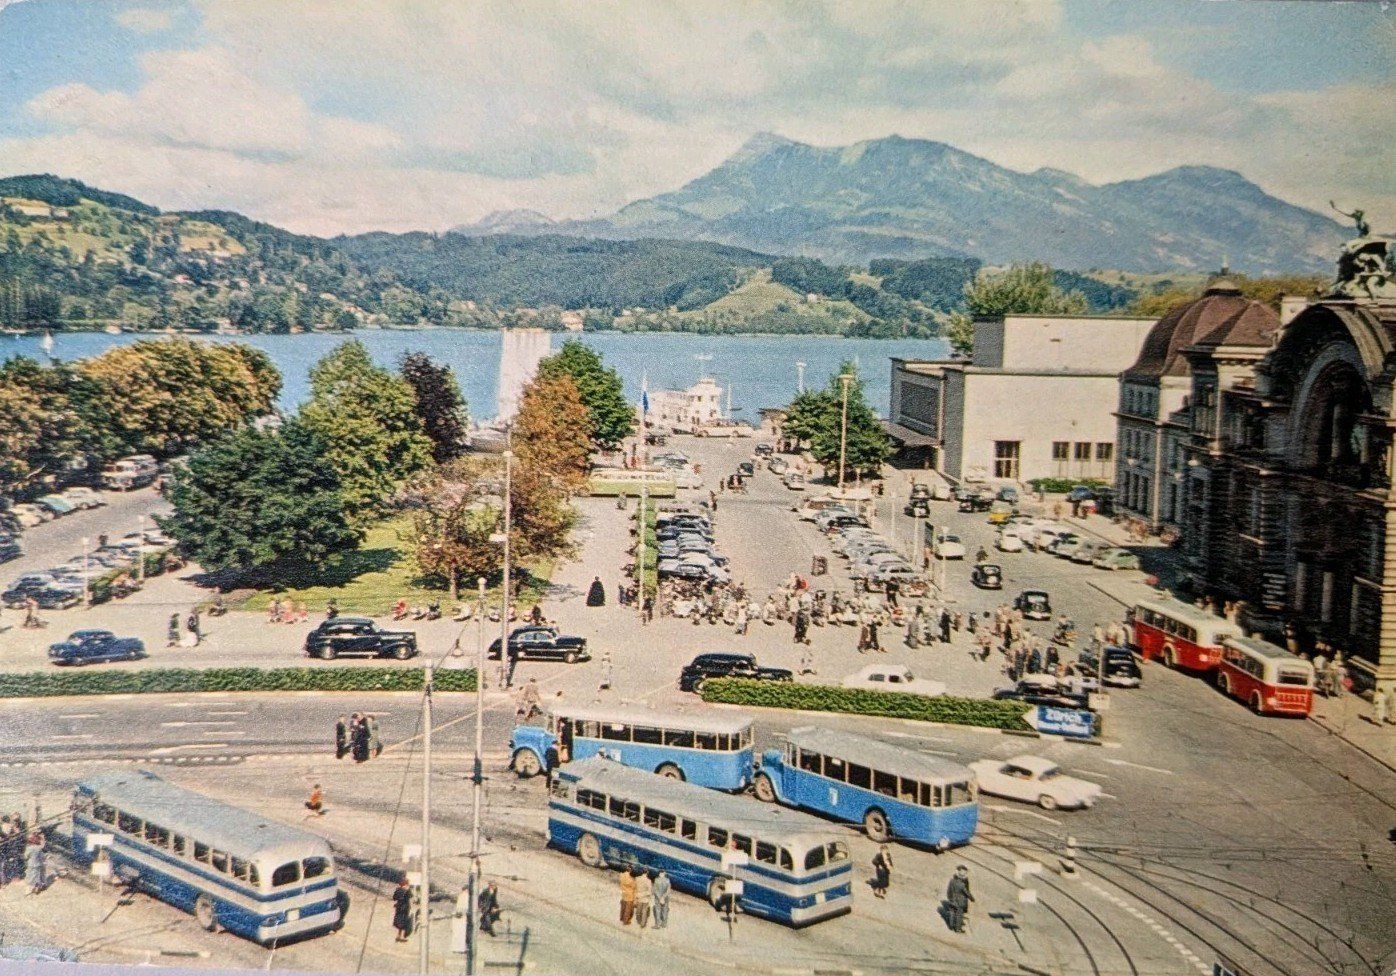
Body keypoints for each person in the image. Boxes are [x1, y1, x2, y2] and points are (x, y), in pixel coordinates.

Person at [945, 865, 974, 933]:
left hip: (952, 900)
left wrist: (950, 898)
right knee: (959, 915)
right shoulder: (962, 884)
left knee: (952, 912)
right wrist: (972, 898)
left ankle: (951, 925)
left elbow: (948, 890)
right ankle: (958, 929)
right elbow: (967, 892)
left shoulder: (951, 881)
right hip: (960, 902)